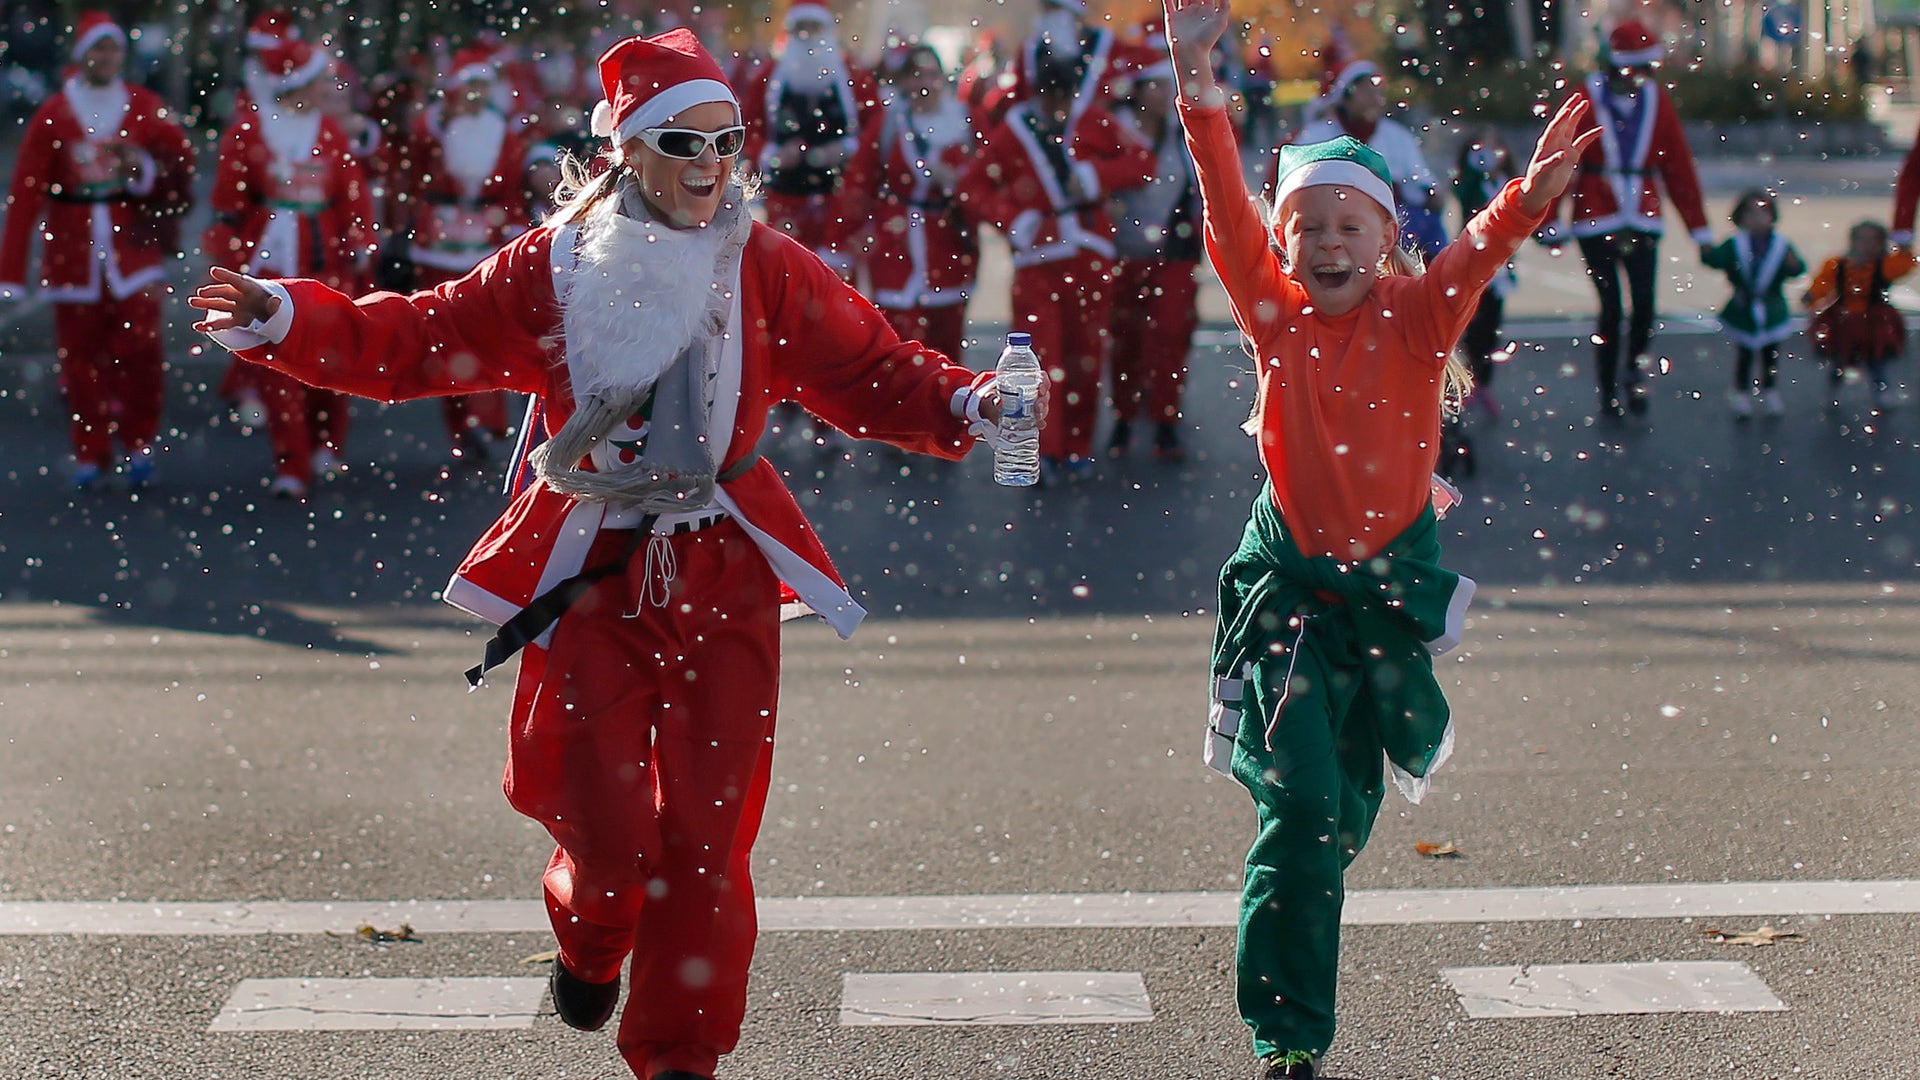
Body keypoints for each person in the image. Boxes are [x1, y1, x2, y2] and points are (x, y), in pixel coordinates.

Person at [189, 29, 1027, 1080]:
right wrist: (288, 319)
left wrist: (969, 399)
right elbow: (418, 338)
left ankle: (681, 1056)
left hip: (725, 574)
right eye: (684, 141)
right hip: (592, 571)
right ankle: (591, 933)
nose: (711, 164)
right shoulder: (554, 267)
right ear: (628, 150)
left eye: (728, 141)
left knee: (709, 847)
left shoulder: (764, 265)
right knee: (605, 824)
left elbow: (871, 370)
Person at [1161, 0, 1598, 1076]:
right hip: (1292, 596)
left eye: (1350, 225)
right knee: (1303, 808)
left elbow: (1479, 250)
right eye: (1308, 226)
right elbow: (1223, 208)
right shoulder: (1275, 312)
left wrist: (1527, 200)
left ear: (1385, 238)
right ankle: (1288, 1038)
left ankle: (1303, 878)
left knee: (1339, 814)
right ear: (1286, 242)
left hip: (1389, 591)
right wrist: (1197, 84)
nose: (1326, 244)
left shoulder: (1415, 315)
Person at [0, 11, 195, 491]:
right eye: (96, 48)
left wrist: (143, 166)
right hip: (73, 253)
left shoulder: (145, 106)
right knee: (81, 359)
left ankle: (138, 442)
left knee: (142, 350)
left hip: (134, 250)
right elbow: (26, 193)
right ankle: (90, 452)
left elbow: (181, 166)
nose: (105, 58)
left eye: (112, 49)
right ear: (80, 54)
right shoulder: (54, 114)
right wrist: (10, 270)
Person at [961, 44, 1153, 481]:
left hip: (1091, 255)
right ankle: (1043, 449)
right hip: (1036, 261)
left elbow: (1143, 162)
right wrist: (1016, 220)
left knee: (1087, 355)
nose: (1059, 106)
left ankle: (1078, 447)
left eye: (1065, 96)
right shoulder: (1013, 131)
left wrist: (1093, 178)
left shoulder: (1094, 122)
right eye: (1050, 97)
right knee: (1038, 360)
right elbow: (973, 189)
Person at [203, 34, 376, 498]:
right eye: (320, 80)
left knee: (333, 354)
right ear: (300, 84)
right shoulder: (249, 131)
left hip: (326, 260)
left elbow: (352, 192)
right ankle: (291, 463)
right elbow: (228, 201)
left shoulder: (329, 132)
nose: (328, 88)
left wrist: (361, 238)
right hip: (268, 263)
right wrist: (226, 254)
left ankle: (327, 445)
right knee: (276, 363)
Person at [1535, 20, 1712, 422]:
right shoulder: (1585, 98)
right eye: (1638, 68)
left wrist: (1699, 228)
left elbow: (1679, 168)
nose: (1645, 77)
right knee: (1611, 308)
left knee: (1646, 305)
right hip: (1595, 214)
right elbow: (1561, 161)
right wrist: (1549, 218)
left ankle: (1633, 367)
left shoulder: (1657, 102)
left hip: (1643, 216)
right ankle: (1608, 388)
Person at [405, 42, 530, 464]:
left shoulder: (505, 135)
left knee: (487, 330)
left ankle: (486, 416)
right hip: (439, 246)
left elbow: (513, 188)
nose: (476, 94)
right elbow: (410, 164)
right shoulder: (434, 129)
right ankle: (461, 421)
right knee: (442, 332)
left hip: (487, 242)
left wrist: (513, 226)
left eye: (483, 85)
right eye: (469, 86)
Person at [741, 2, 880, 282]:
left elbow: (876, 126)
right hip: (786, 196)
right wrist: (772, 154)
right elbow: (748, 127)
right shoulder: (769, 75)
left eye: (814, 28)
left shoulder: (853, 74)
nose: (807, 36)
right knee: (786, 275)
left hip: (840, 197)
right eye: (800, 29)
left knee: (838, 283)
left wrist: (847, 150)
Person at [1105, 55, 1200, 462]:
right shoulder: (1114, 132)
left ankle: (1165, 420)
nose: (1165, 94)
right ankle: (1124, 417)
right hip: (1121, 253)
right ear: (1137, 89)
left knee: (1170, 335)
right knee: (1124, 337)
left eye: (1169, 85)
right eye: (1156, 85)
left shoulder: (1184, 134)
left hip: (1173, 254)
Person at [867, 42, 977, 366]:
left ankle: (949, 413)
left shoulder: (965, 122)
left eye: (930, 74)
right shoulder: (887, 124)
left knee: (947, 348)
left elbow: (992, 174)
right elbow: (859, 181)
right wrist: (841, 241)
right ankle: (901, 415)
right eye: (915, 75)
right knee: (901, 348)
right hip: (896, 246)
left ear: (943, 79)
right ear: (902, 82)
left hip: (950, 244)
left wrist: (960, 179)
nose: (923, 83)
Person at [1299, 57, 1446, 259]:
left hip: (1394, 217)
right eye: (1366, 92)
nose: (1374, 99)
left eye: (1376, 92)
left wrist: (1431, 193)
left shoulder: (1397, 136)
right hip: (1333, 219)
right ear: (1347, 97)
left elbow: (1420, 178)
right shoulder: (1317, 136)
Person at [1699, 191, 1805, 418]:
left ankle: (1770, 390)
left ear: (1772, 216)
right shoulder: (1734, 244)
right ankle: (1741, 393)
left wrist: (1793, 265)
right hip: (1744, 306)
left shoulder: (1781, 245)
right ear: (1739, 217)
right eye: (1750, 214)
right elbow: (1715, 260)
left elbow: (1798, 269)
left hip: (1772, 306)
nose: (1756, 219)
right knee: (1744, 354)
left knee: (1771, 354)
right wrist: (1704, 246)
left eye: (1762, 213)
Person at [1803, 220, 1912, 413]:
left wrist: (1904, 247)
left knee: (1875, 360)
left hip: (1874, 321)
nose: (1867, 245)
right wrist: (1813, 295)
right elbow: (1824, 282)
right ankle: (1833, 392)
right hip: (1844, 321)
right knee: (1840, 359)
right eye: (1862, 240)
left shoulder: (1883, 265)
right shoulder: (1839, 265)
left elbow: (1904, 265)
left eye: (1874, 241)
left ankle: (1881, 391)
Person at [1451, 125, 1520, 419]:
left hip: (1500, 269)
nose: (1488, 156)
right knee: (1471, 328)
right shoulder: (1470, 183)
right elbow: (1463, 194)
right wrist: (1476, 170)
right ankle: (1467, 383)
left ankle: (1484, 384)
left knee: (1492, 327)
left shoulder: (1509, 183)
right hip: (1472, 263)